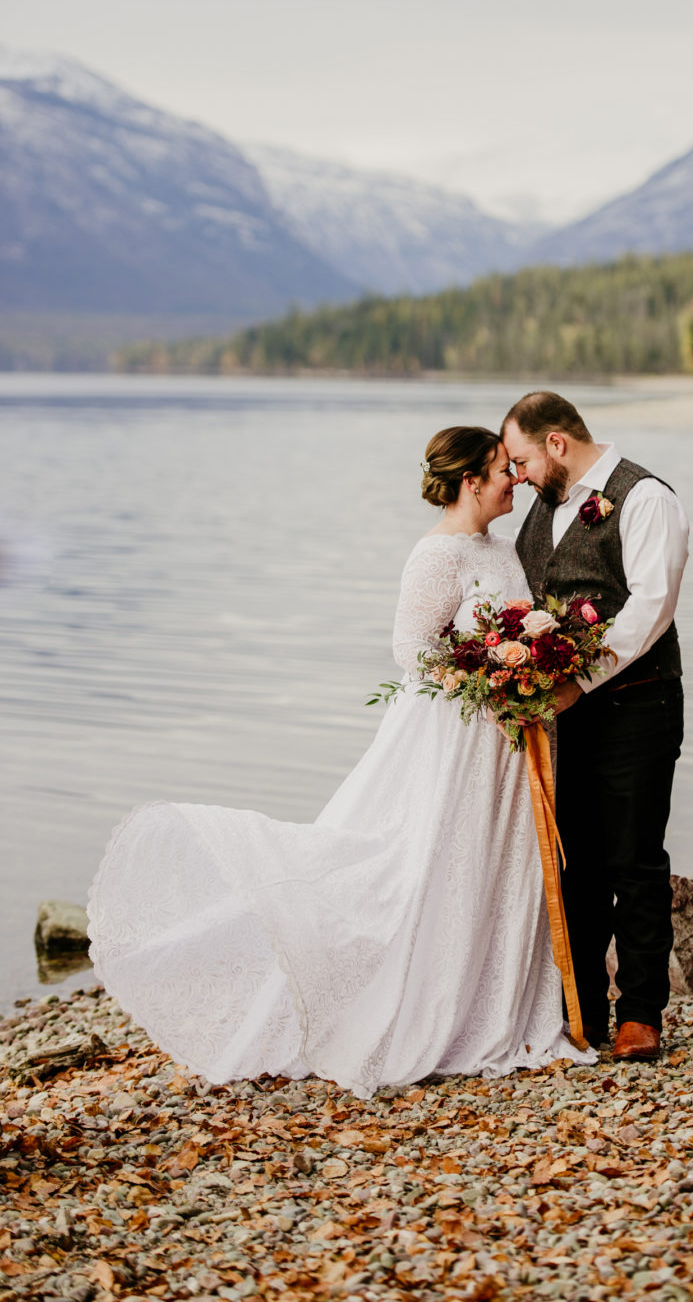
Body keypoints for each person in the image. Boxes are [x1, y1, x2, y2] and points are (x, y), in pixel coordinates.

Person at [88, 426, 593, 1098]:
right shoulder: (434, 556)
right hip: (461, 732)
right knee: (436, 862)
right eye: (505, 469)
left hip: (509, 733)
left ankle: (498, 1007)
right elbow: (412, 652)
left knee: (499, 863)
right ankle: (420, 1009)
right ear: (472, 480)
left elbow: (510, 624)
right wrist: (487, 675)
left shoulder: (501, 548)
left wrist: (531, 660)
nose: (516, 480)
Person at [501, 392, 688, 1063]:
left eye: (521, 458)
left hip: (637, 705)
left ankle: (641, 1015)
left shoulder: (644, 499)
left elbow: (650, 609)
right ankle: (579, 1010)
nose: (517, 475)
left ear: (556, 443)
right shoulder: (542, 509)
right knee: (572, 861)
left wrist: (576, 681)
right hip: (562, 712)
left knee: (633, 859)